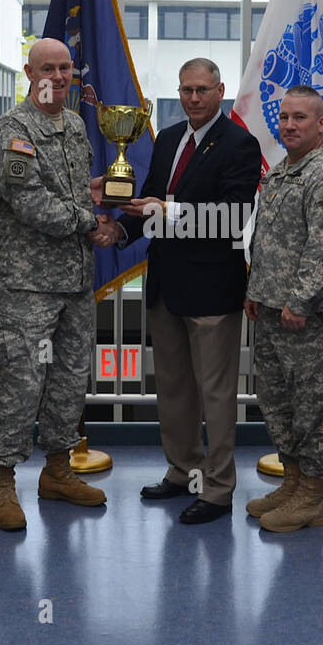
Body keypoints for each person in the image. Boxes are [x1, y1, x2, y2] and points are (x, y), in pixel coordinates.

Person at [97, 58, 262, 523]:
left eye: (202, 90)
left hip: (213, 289)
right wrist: (122, 233)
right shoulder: (167, 138)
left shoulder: (239, 144)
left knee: (215, 394)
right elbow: (146, 200)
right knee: (172, 390)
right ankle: (182, 470)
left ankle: (217, 488)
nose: (193, 98)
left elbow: (230, 216)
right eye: (186, 89)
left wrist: (166, 210)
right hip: (166, 286)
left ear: (220, 91)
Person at [0, 37, 116, 532]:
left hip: (75, 283)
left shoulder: (76, 124)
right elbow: (30, 203)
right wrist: (90, 220)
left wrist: (97, 193)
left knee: (67, 383)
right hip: (26, 288)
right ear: (29, 71)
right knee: (21, 386)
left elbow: (69, 190)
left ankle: (57, 473)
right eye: (48, 68)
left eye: (65, 69)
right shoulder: (13, 131)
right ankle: (3, 483)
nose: (58, 77)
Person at [243, 85, 323, 533]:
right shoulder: (279, 174)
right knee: (278, 403)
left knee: (313, 406)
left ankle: (312, 498)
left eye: (300, 118)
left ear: (321, 123)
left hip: (307, 316)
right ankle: (292, 484)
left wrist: (299, 299)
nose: (289, 125)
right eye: (284, 117)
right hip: (271, 309)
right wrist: (255, 289)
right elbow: (268, 240)